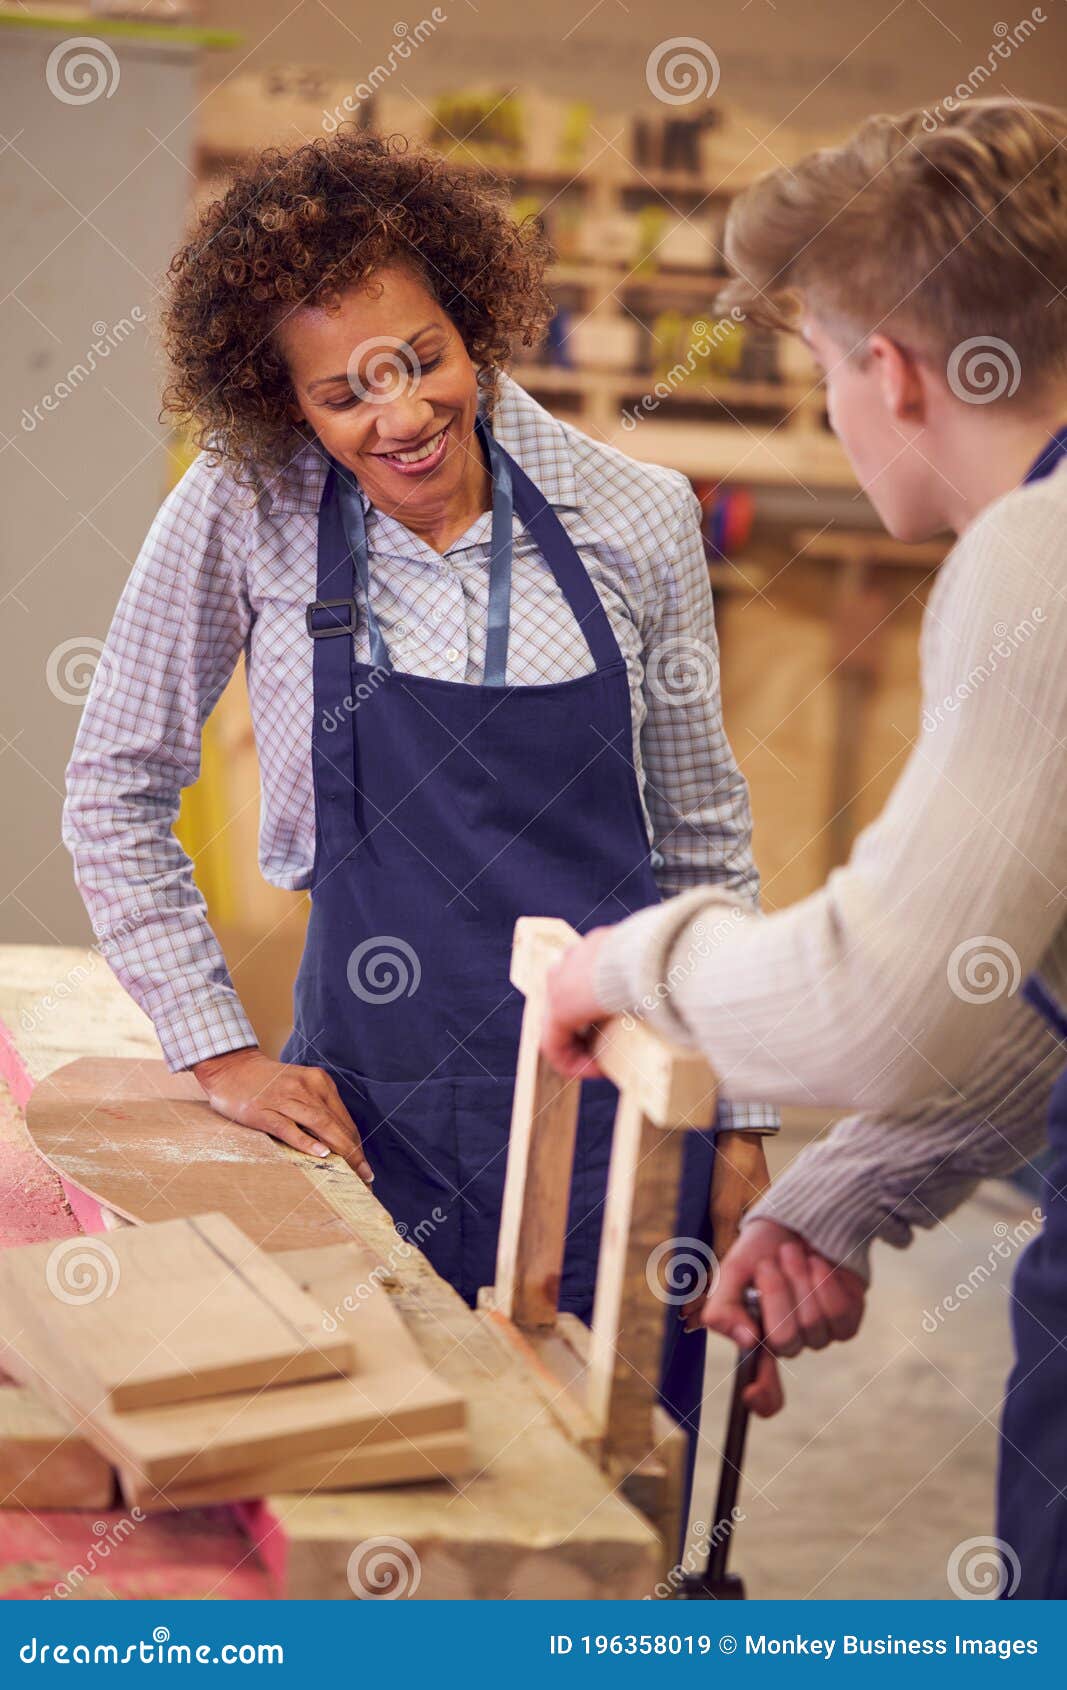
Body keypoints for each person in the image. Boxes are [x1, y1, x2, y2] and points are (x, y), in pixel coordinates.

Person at [62, 129, 776, 1519]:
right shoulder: (249, 503)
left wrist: (739, 1122)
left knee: (598, 1528)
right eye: (341, 393)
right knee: (381, 1510)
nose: (399, 416)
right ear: (283, 400)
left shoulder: (632, 517)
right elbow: (114, 783)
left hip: (617, 1138)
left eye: (423, 358)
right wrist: (218, 1052)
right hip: (365, 1116)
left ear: (474, 319)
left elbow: (702, 837)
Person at [539, 97, 1067, 1595]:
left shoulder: (1036, 557)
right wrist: (859, 1186)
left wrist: (626, 964)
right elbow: (1033, 985)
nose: (835, 405)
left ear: (890, 373)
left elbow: (877, 1001)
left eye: (824, 367)